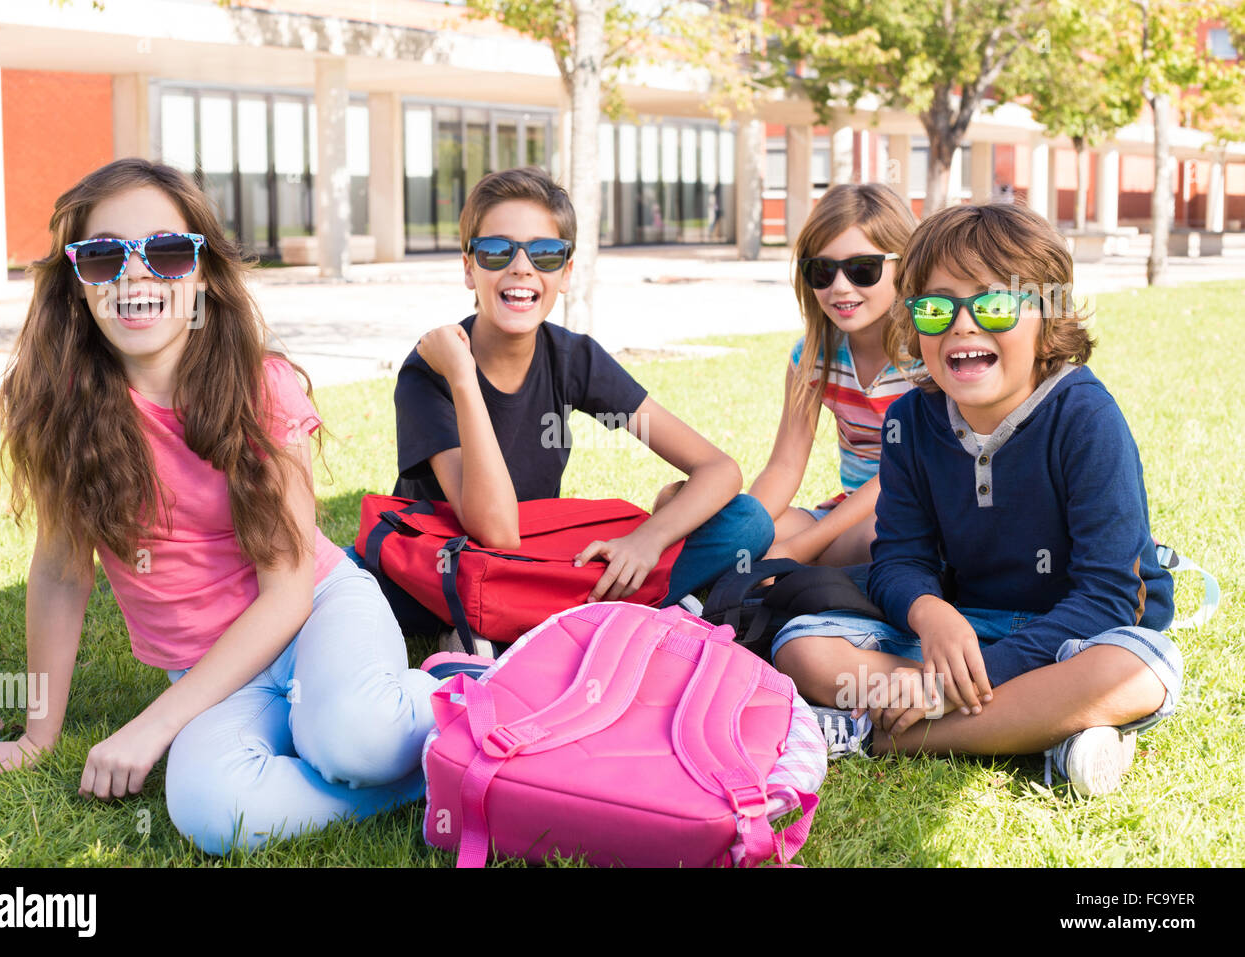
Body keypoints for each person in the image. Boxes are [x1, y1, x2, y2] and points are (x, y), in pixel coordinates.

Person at [0, 158, 439, 854]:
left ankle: (446, 698)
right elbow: (61, 574)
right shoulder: (63, 410)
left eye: (168, 253)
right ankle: (415, 771)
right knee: (211, 806)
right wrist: (37, 734)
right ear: (77, 279)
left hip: (317, 611)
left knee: (357, 737)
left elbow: (290, 587)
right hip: (211, 669)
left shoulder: (258, 388)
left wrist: (152, 726)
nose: (135, 276)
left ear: (202, 274)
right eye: (104, 255)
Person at [768, 203, 1181, 796]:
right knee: (805, 649)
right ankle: (1045, 730)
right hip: (963, 627)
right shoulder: (910, 419)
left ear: (1049, 315)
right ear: (914, 323)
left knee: (1140, 671)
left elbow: (1109, 597)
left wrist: (951, 685)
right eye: (937, 308)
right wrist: (928, 612)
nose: (962, 326)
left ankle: (879, 735)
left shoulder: (1086, 416)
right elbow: (900, 560)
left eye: (993, 304)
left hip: (1079, 634)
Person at [389, 166, 773, 614]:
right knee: (373, 576)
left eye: (545, 254)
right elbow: (494, 530)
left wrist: (647, 542)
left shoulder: (572, 357)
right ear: (470, 268)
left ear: (566, 273)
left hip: (544, 557)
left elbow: (719, 469)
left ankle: (539, 613)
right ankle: (587, 608)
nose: (520, 268)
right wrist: (461, 378)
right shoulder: (431, 369)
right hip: (454, 559)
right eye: (496, 251)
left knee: (746, 522)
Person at [749, 183, 918, 568]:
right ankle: (801, 562)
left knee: (877, 538)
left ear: (906, 265)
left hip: (907, 521)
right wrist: (742, 527)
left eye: (863, 269)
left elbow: (895, 479)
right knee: (689, 505)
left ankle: (801, 565)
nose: (840, 287)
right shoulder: (812, 358)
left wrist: (800, 547)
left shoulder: (929, 359)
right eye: (822, 270)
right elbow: (784, 467)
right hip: (841, 518)